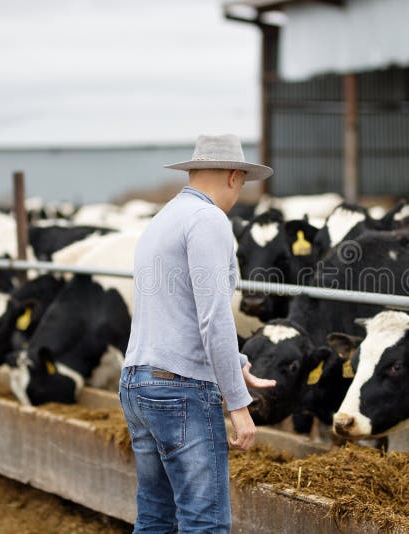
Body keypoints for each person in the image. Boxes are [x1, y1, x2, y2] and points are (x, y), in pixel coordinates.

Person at [119, 133, 277, 533]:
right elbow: (213, 318)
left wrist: (235, 363)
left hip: (139, 383)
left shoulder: (163, 219)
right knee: (204, 524)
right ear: (232, 176)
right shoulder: (209, 221)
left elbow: (176, 312)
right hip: (180, 392)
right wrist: (238, 406)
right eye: (242, 182)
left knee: (156, 517)